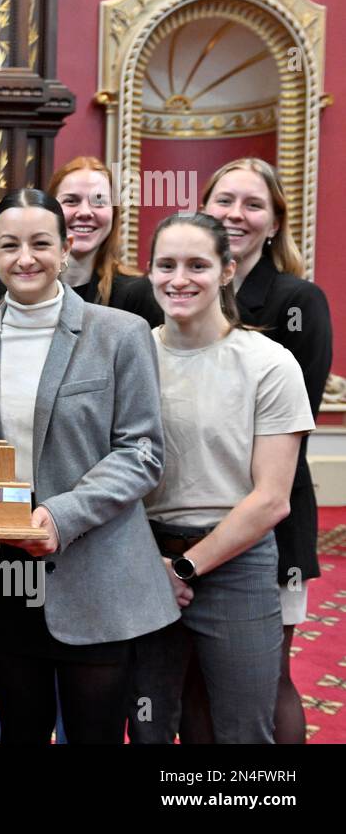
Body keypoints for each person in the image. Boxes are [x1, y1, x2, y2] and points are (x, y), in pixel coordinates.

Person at [0, 189, 177, 743]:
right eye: (9, 245)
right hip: (3, 576)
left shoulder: (119, 332)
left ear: (66, 247)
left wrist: (63, 515)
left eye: (40, 243)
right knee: (21, 732)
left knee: (94, 736)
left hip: (97, 572)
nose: (25, 258)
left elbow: (142, 452)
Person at [129, 212, 314, 744]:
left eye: (197, 265)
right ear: (150, 271)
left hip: (237, 562)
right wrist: (153, 566)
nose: (179, 279)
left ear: (227, 271)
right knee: (147, 725)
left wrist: (184, 569)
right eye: (165, 265)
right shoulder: (130, 353)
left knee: (243, 731)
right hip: (145, 560)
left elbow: (272, 500)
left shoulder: (268, 363)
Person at [198, 158, 332, 744]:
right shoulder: (181, 291)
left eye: (253, 204)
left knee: (268, 679)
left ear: (275, 222)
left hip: (267, 517)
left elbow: (288, 433)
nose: (235, 215)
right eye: (224, 200)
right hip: (183, 521)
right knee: (193, 682)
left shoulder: (298, 300)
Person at [0, 156, 160, 323]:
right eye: (71, 200)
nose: (85, 212)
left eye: (99, 202)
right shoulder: (3, 289)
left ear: (114, 213)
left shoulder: (137, 293)